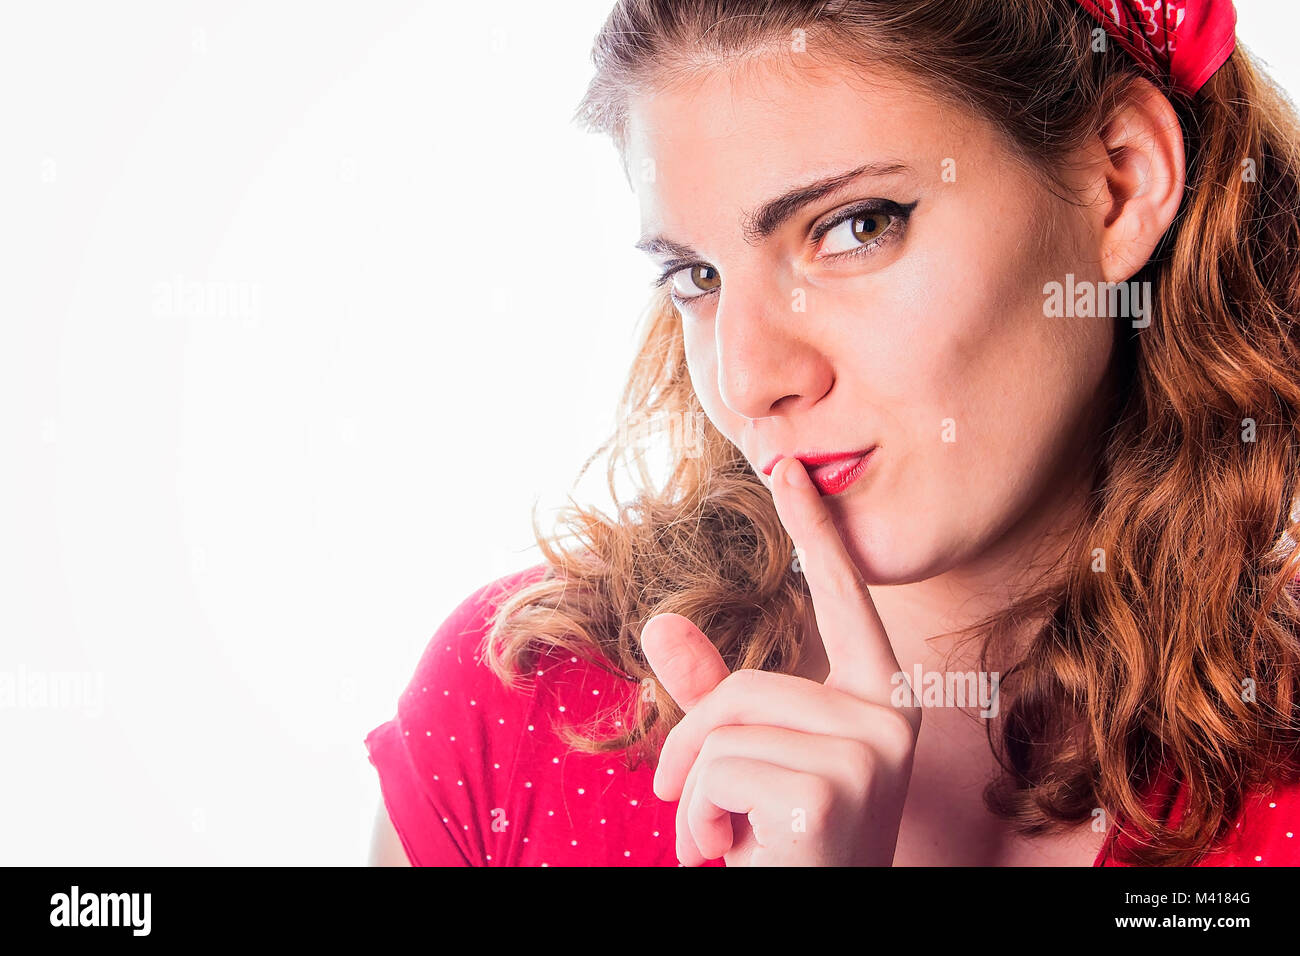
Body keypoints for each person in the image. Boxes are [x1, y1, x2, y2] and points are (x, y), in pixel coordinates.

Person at [366, 0, 1300, 866]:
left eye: (856, 227)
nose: (749, 379)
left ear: (1120, 183)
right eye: (697, 276)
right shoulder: (520, 709)